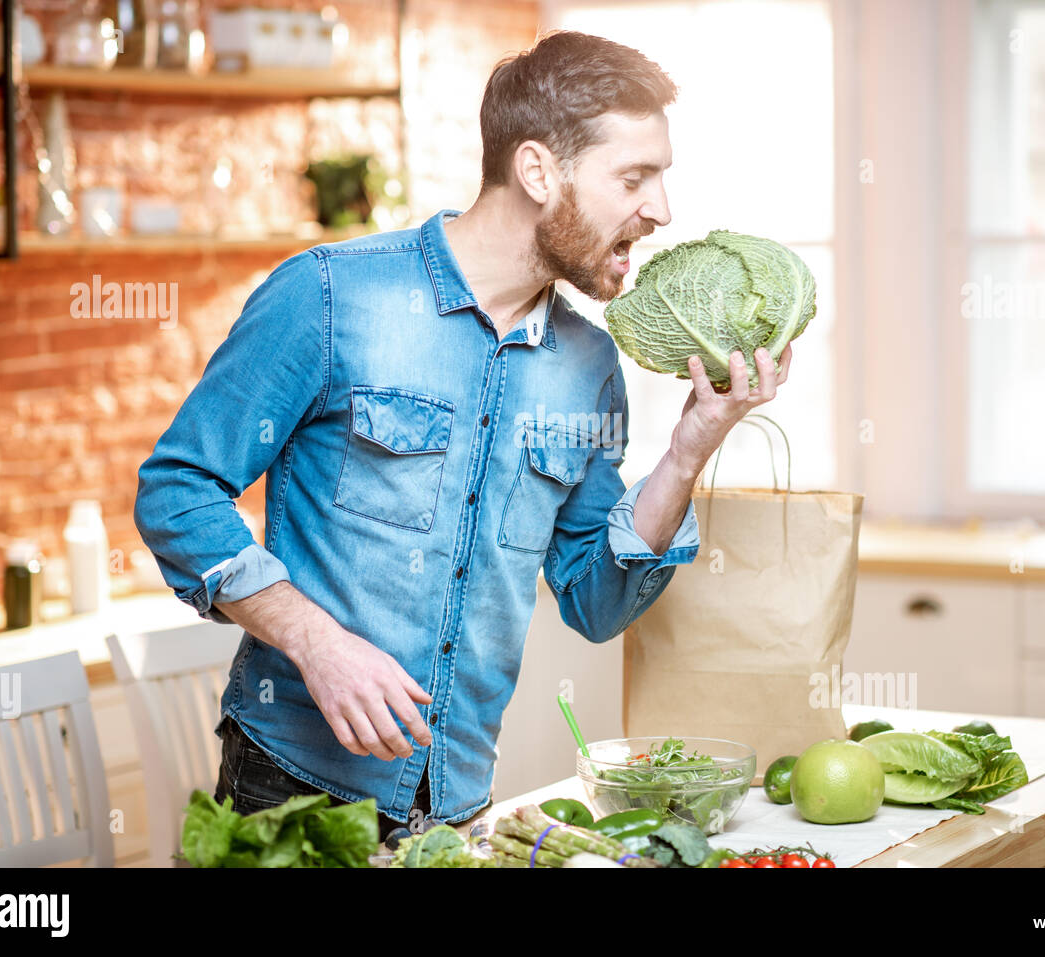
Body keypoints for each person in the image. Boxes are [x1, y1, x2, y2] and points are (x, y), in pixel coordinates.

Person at [134, 30, 792, 843]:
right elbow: (177, 489)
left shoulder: (587, 364)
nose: (662, 209)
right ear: (538, 170)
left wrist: (691, 448)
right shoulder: (331, 297)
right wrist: (318, 643)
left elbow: (594, 597)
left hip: (459, 811)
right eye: (634, 177)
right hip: (292, 792)